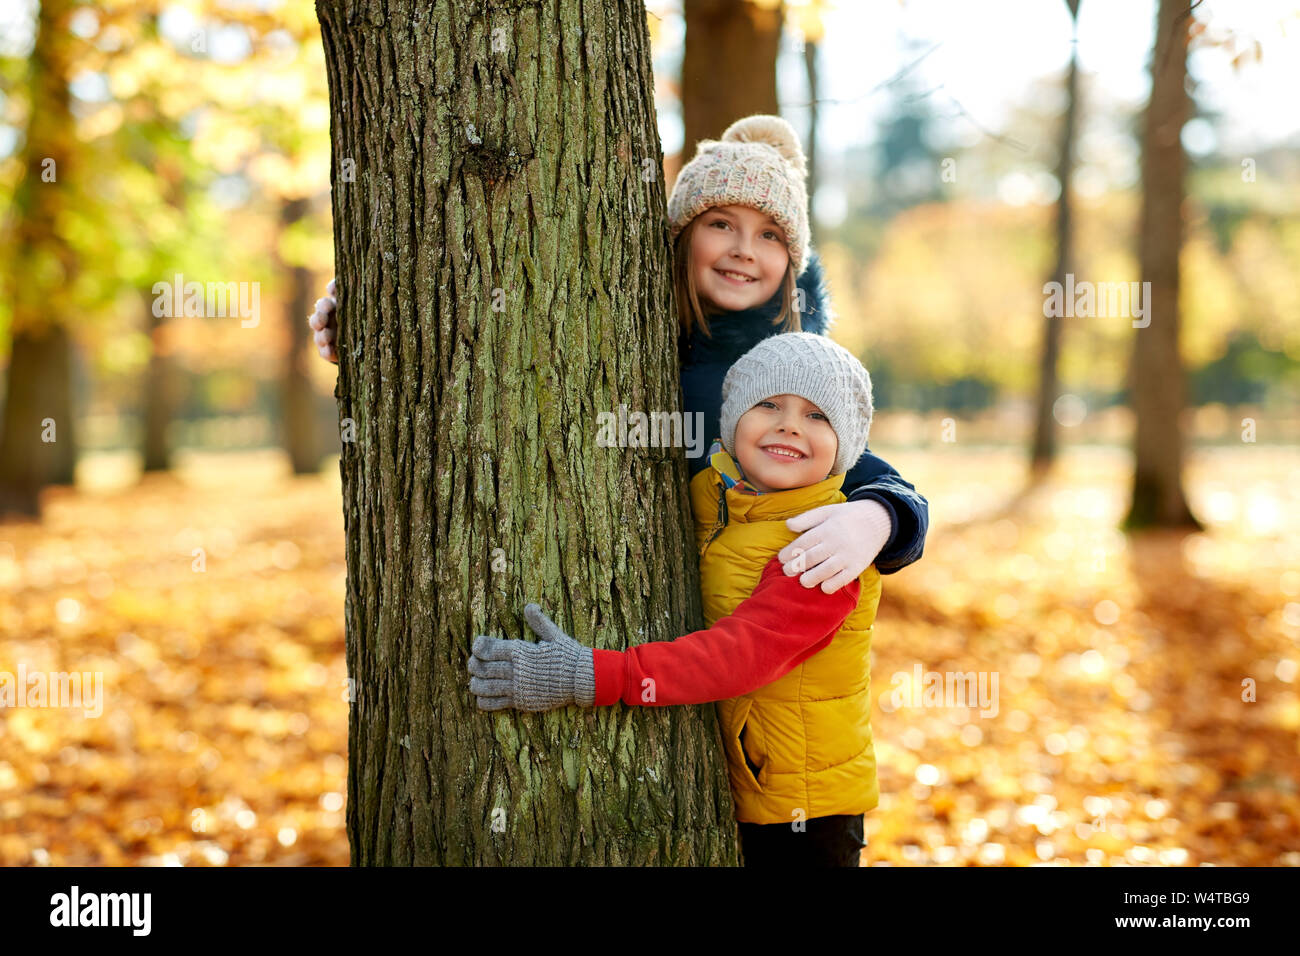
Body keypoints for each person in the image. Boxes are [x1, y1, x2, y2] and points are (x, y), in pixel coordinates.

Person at [308, 113, 929, 591]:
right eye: (721, 224)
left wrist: (875, 520)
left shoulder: (788, 372)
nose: (744, 248)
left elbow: (876, 475)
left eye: (769, 235)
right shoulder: (628, 328)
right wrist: (371, 318)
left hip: (759, 625)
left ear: (792, 264)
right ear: (680, 236)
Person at [469, 331, 881, 868]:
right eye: (770, 404)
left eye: (817, 417)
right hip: (742, 784)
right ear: (733, 417)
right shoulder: (711, 496)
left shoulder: (827, 545)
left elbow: (741, 655)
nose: (789, 425)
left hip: (804, 810)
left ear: (844, 448)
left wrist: (592, 675)